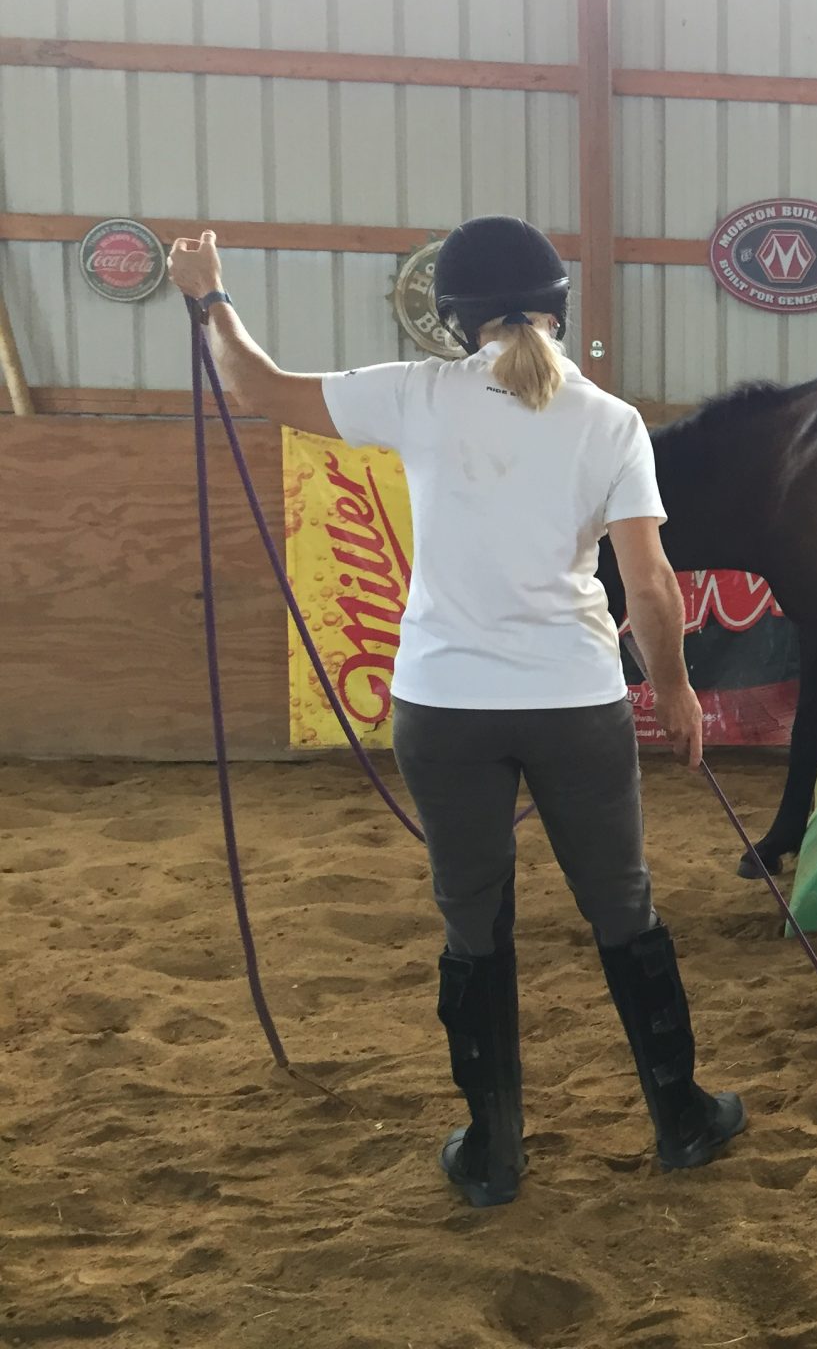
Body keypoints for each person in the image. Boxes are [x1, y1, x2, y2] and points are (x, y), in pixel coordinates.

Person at [167, 216, 746, 1207]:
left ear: (452, 316)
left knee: (472, 922)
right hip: (574, 703)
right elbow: (650, 587)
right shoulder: (610, 421)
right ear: (556, 307)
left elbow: (255, 387)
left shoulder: (416, 393)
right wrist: (676, 689)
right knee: (624, 909)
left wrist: (209, 296)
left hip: (442, 706)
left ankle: (492, 1152)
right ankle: (680, 1120)